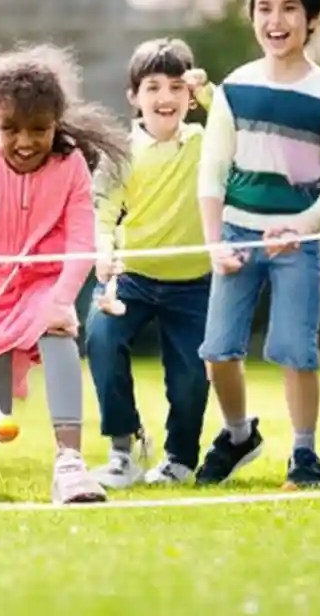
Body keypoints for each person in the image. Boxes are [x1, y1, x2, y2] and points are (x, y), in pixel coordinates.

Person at [194, 0, 320, 490]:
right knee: (218, 350)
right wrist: (214, 243)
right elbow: (212, 173)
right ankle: (238, 435)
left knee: (296, 350)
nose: (276, 20)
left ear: (312, 19)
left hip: (296, 242)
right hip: (237, 236)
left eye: (290, 8)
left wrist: (302, 226)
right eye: (264, 8)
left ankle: (305, 455)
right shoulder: (235, 90)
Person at [0, 44, 130, 504]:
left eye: (39, 130)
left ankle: (70, 463)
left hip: (48, 282)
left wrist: (61, 300)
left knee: (59, 336)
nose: (25, 142)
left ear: (56, 123)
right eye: (11, 130)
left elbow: (81, 242)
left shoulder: (70, 168)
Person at [86, 38, 214, 488]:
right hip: (131, 277)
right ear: (134, 97)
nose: (165, 97)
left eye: (177, 87)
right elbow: (101, 214)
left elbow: (233, 122)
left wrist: (208, 89)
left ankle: (180, 457)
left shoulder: (205, 141)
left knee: (192, 377)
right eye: (153, 87)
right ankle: (123, 449)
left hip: (194, 282)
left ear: (190, 97)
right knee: (102, 340)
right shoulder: (120, 151)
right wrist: (103, 254)